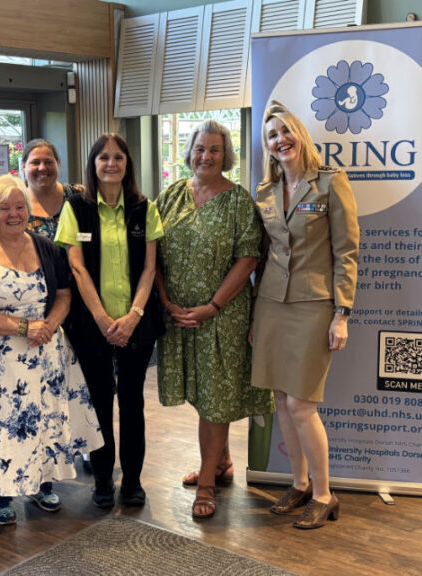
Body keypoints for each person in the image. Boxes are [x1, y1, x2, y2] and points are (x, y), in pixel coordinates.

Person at [0, 174, 103, 526]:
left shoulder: (45, 246)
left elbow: (63, 295)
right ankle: (1, 492)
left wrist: (49, 326)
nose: (14, 214)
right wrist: (24, 327)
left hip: (46, 352)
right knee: (3, 427)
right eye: (5, 208)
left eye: (19, 207)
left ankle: (42, 483)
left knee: (45, 420)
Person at [155, 120, 274, 519]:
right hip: (178, 315)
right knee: (201, 394)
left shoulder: (239, 201)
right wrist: (166, 300)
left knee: (215, 401)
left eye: (215, 150)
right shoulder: (170, 196)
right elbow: (151, 253)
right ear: (189, 152)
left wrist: (213, 306)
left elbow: (249, 258)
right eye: (200, 148)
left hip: (222, 318)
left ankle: (207, 486)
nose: (206, 156)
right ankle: (219, 463)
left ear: (227, 156)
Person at [251, 101, 359, 529]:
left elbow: (346, 252)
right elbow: (263, 254)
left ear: (300, 134)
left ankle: (324, 494)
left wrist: (342, 313)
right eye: (272, 136)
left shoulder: (331, 183)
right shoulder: (264, 192)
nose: (280, 140)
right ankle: (297, 484)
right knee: (280, 399)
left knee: (301, 405)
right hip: (272, 305)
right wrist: (255, 318)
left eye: (285, 131)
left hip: (315, 306)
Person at [55, 133, 164, 509]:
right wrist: (102, 319)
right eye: (103, 157)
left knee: (132, 403)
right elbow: (76, 267)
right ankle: (102, 479)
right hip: (92, 326)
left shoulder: (144, 208)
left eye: (118, 157)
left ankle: (132, 481)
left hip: (136, 323)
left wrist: (133, 316)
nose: (111, 163)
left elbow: (150, 269)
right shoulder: (76, 208)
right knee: (99, 403)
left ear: (127, 164)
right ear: (94, 163)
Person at [21, 138, 93, 474]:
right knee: (48, 383)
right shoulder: (16, 205)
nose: (42, 168)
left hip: (83, 300)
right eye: (34, 162)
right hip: (40, 310)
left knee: (90, 379)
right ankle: (49, 450)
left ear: (58, 164)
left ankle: (90, 444)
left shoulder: (78, 197)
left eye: (48, 161)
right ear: (24, 167)